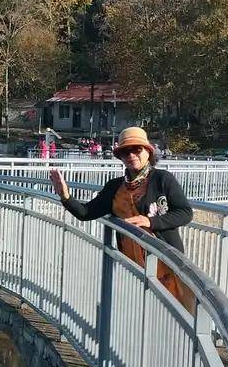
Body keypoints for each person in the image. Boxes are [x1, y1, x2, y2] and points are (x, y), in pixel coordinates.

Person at [50, 126, 195, 310]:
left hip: (165, 263)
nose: (131, 155)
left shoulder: (162, 179)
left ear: (148, 152)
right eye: (125, 152)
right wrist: (65, 196)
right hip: (133, 267)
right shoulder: (114, 187)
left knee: (174, 313)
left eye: (137, 149)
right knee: (140, 313)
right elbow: (86, 213)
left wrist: (151, 221)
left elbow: (185, 213)